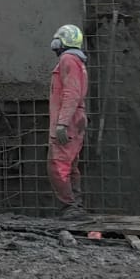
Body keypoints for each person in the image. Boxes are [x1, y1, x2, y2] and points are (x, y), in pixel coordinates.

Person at [48, 24, 89, 216]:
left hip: (69, 121)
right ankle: (75, 205)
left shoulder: (68, 60)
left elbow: (71, 94)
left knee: (57, 165)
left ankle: (70, 206)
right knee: (70, 165)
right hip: (76, 119)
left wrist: (62, 124)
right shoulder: (76, 61)